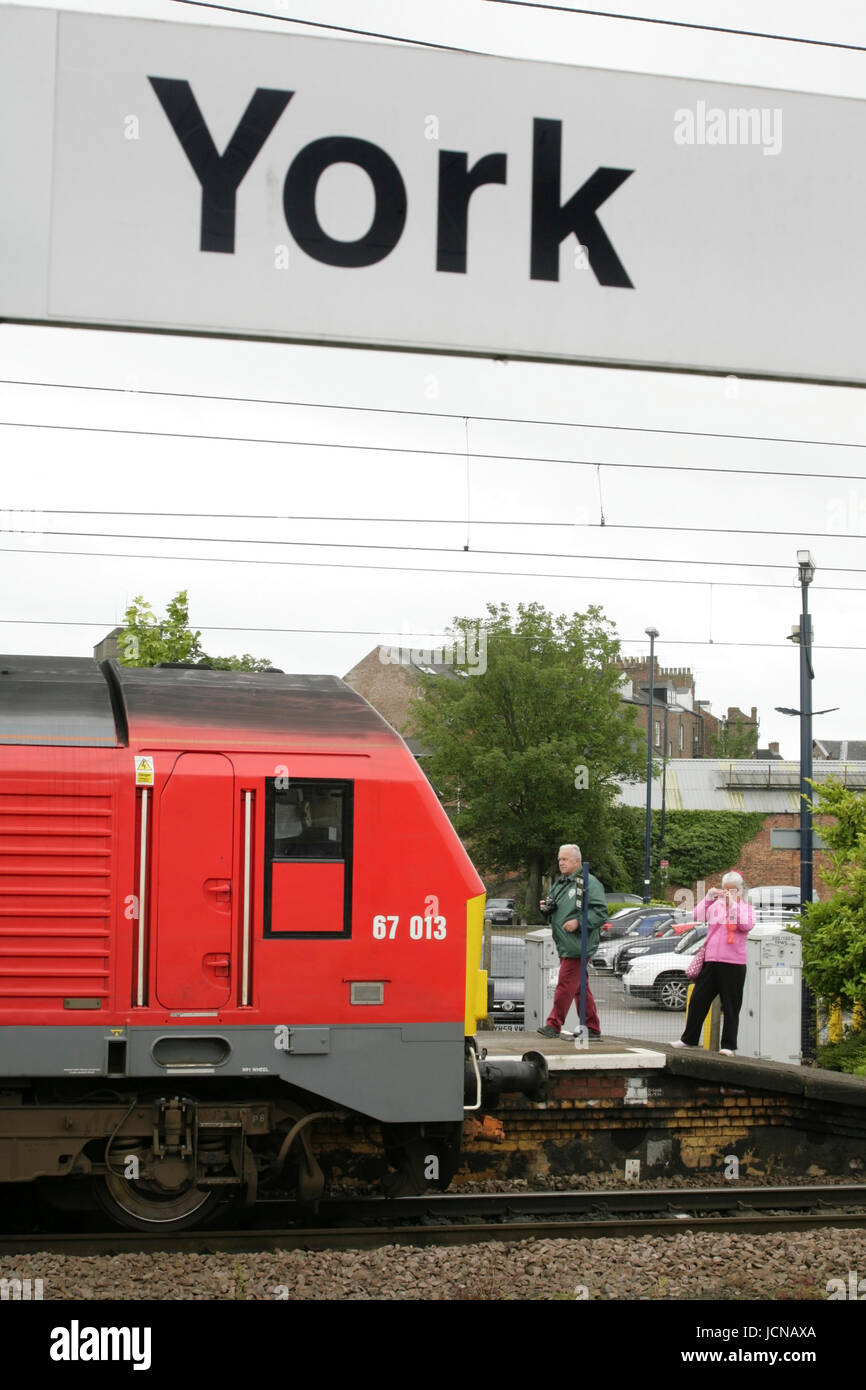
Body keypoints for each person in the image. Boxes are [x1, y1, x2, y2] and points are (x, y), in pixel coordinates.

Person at [673, 870, 755, 1055]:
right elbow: (698, 916)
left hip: (733, 963)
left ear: (740, 891)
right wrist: (708, 898)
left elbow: (746, 925)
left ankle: (728, 1045)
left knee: (731, 1005)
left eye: (733, 890)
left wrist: (733, 904)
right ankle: (689, 1039)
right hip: (712, 960)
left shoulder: (746, 908)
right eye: (726, 889)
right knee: (698, 1001)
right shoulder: (716, 906)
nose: (728, 893)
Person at [536, 843, 606, 1040]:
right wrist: (547, 910)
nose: (561, 863)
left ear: (577, 861)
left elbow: (600, 912)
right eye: (559, 859)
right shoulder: (562, 883)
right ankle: (592, 1027)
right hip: (566, 943)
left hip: (578, 946)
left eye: (565, 859)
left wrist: (579, 922)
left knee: (565, 984)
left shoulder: (588, 882)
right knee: (579, 987)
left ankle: (554, 1024)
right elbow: (556, 910)